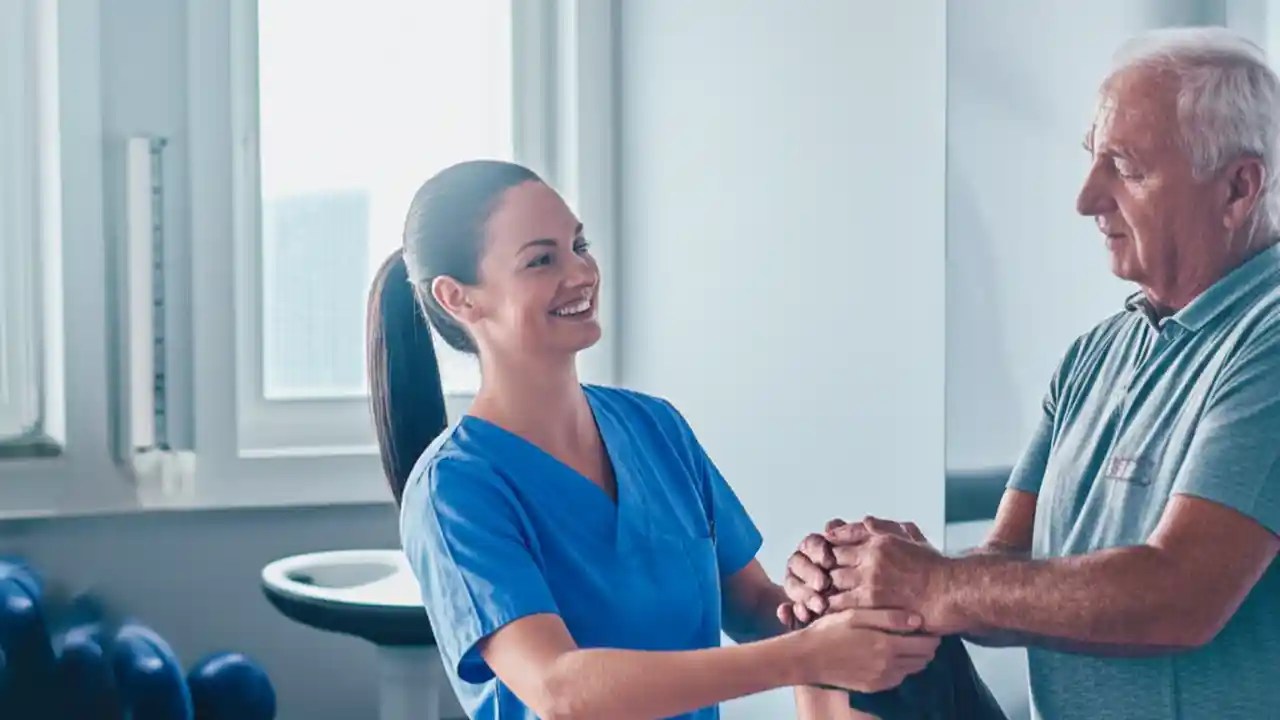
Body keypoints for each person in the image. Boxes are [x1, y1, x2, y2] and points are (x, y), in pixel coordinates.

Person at [783, 27, 1280, 720]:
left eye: (1126, 168)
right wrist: (875, 571)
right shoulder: (1092, 356)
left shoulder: (1267, 339)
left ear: (1237, 187)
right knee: (853, 632)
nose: (1087, 198)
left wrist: (936, 584)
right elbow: (1005, 569)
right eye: (1092, 159)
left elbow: (1182, 595)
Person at [366, 159, 940, 720]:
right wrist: (805, 656)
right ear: (458, 297)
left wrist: (833, 599)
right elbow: (560, 691)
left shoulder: (654, 428)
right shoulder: (454, 490)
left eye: (579, 245)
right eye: (541, 259)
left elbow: (751, 605)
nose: (581, 272)